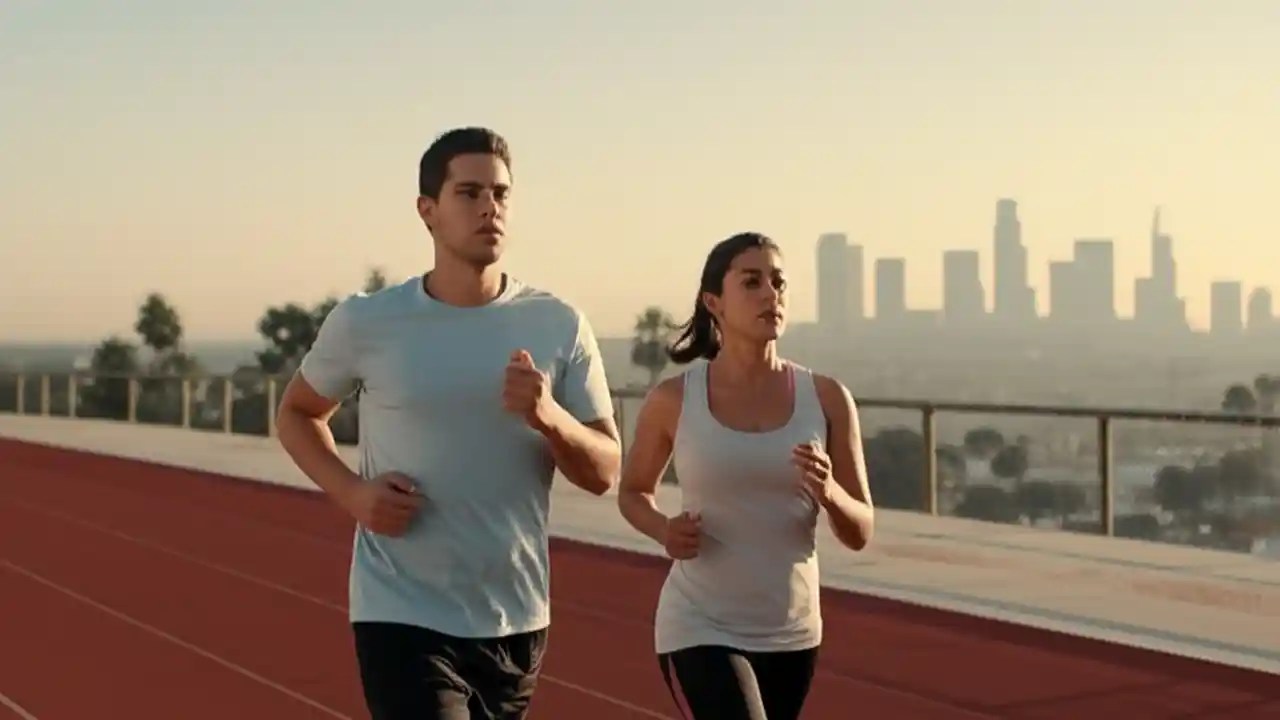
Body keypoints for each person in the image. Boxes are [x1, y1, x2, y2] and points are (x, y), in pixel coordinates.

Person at [275, 127, 621, 720]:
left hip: (515, 615)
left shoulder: (558, 323)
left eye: (502, 194)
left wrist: (550, 417)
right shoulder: (369, 320)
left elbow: (605, 471)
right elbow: (297, 414)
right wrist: (354, 493)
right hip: (401, 609)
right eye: (469, 192)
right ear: (427, 210)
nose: (490, 207)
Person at [616, 232, 875, 720]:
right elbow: (632, 492)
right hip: (699, 622)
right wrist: (663, 530)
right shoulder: (675, 399)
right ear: (714, 301)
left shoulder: (827, 398)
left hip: (793, 631)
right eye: (751, 282)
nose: (769, 295)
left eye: (778, 282)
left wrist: (830, 492)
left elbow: (860, 530)